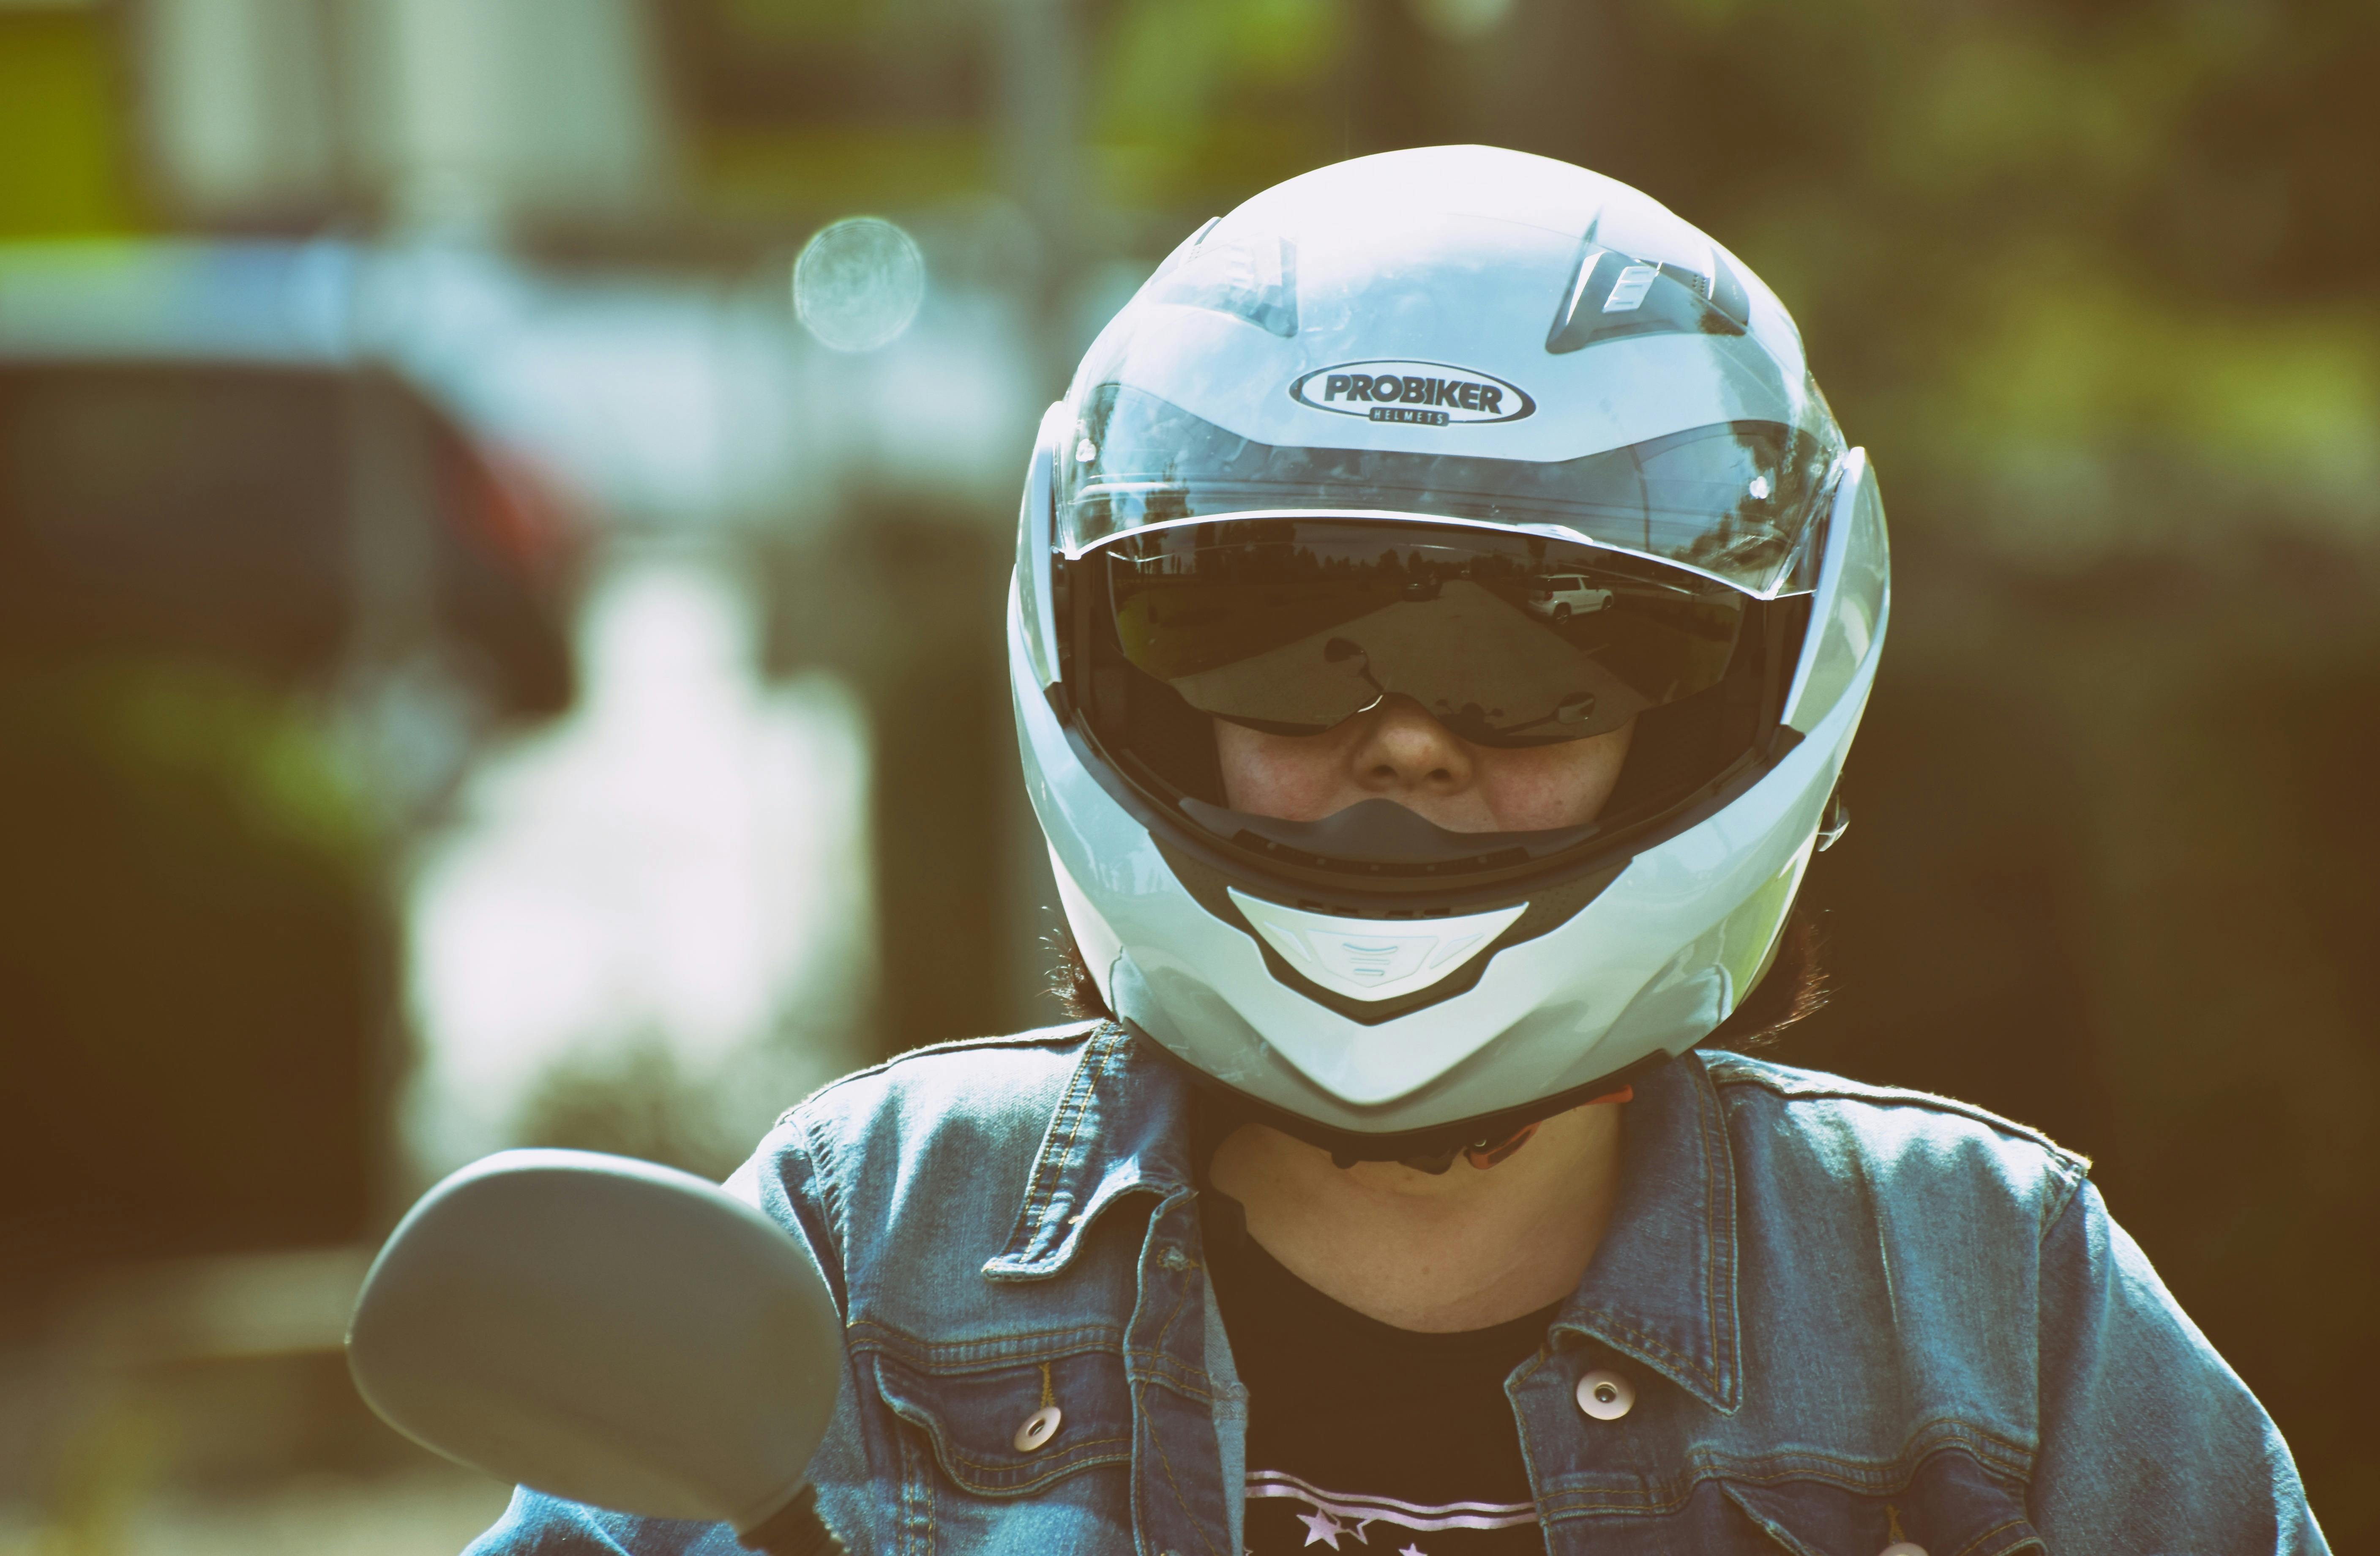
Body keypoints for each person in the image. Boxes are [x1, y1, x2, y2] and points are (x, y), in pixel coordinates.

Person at [467, 148, 2327, 1555]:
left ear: (1712, 706)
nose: (1407, 737)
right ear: (1127, 669)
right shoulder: (868, 1247)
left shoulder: (1981, 1304)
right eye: (1284, 634)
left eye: (1548, 650)